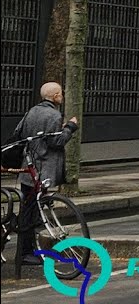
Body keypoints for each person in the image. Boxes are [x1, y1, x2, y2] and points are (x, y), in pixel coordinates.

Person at [9, 82, 79, 266]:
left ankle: (28, 250)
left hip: (29, 166)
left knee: (29, 207)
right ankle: (25, 253)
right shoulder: (54, 115)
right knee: (32, 211)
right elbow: (56, 141)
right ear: (55, 96)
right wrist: (70, 127)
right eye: (60, 93)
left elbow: (19, 132)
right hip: (44, 168)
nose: (62, 96)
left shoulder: (32, 111)